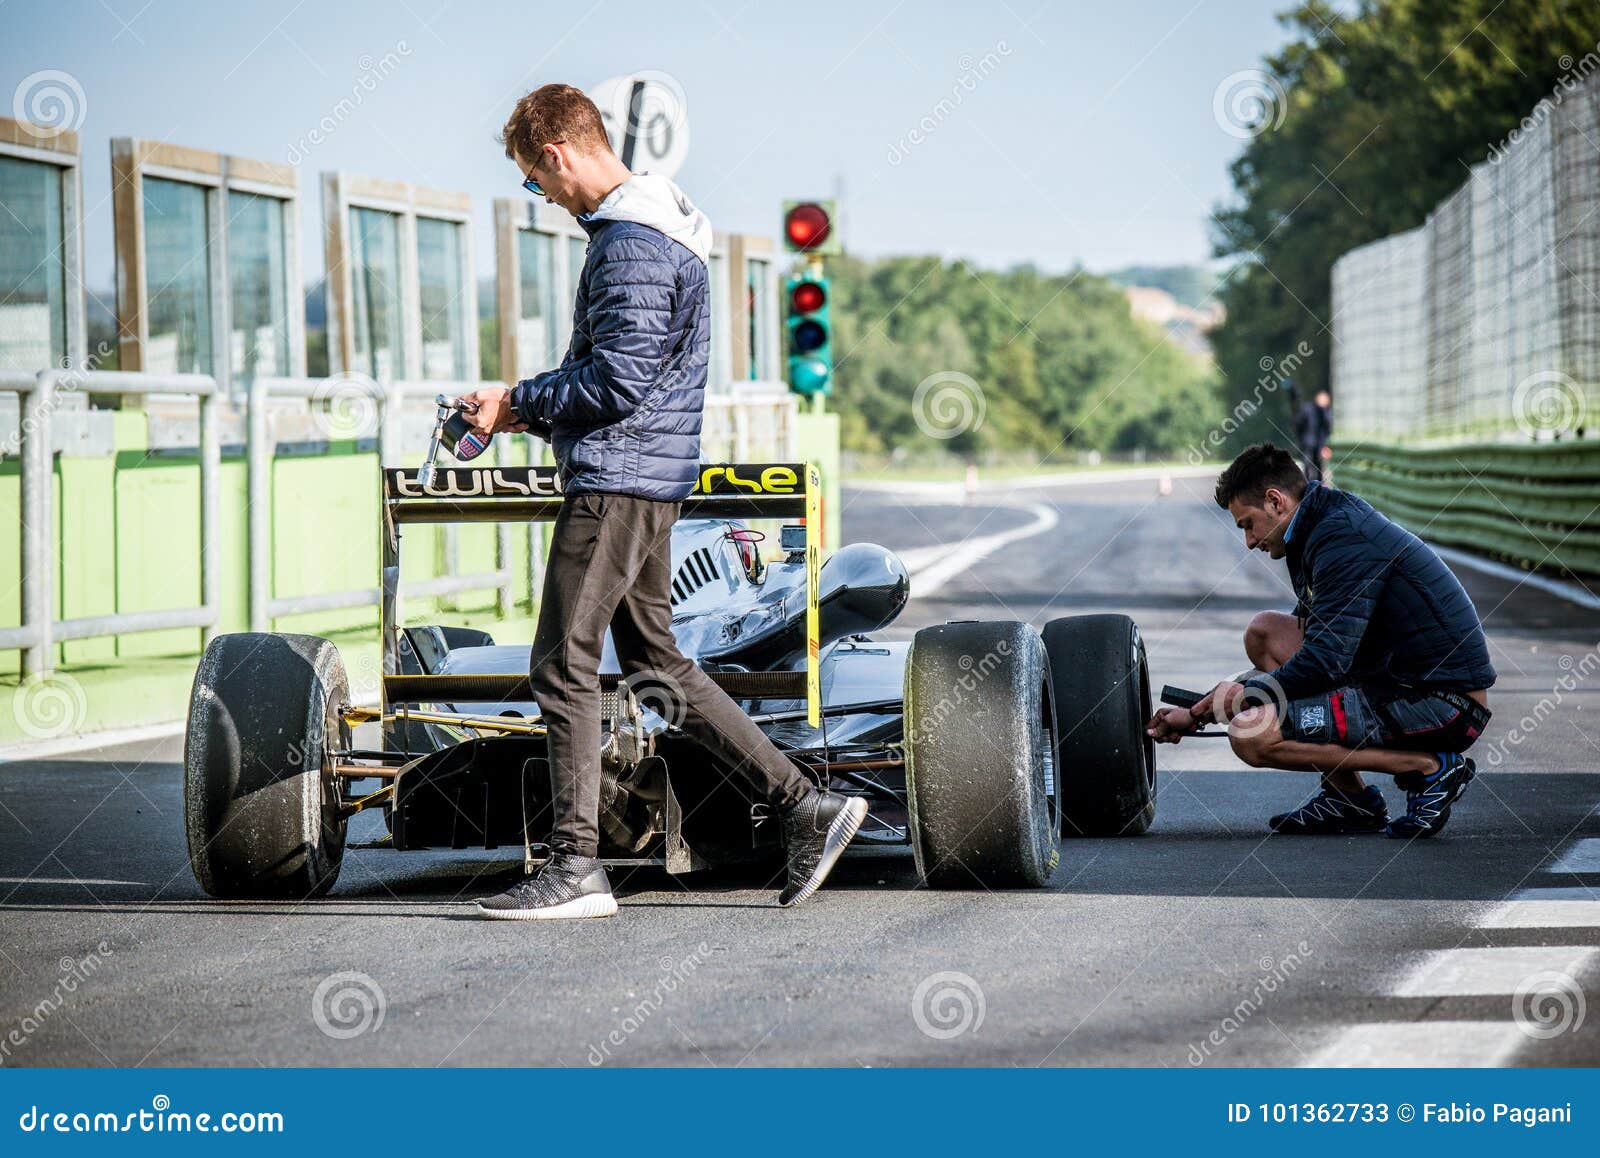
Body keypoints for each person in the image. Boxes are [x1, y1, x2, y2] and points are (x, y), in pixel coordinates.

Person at [459, 84, 865, 919]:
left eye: (537, 183)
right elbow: (631, 378)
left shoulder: (629, 243)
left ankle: (574, 869)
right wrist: (524, 410)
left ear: (558, 153)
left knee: (561, 663)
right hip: (647, 476)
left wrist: (518, 401)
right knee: (654, 663)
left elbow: (616, 381)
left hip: (616, 482)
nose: (546, 200)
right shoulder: (661, 228)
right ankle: (804, 804)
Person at [1146, 444, 1495, 838]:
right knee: (1264, 633)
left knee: (1251, 733)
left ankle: (1431, 769)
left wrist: (1240, 697)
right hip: (1392, 677)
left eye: (1247, 524)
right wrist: (1202, 708)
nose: (1248, 542)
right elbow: (1313, 652)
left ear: (1275, 501)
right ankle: (1350, 801)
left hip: (1443, 703)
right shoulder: (1314, 524)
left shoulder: (1341, 537)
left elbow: (1325, 662)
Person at [1292, 388, 1333, 483]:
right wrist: (1302, 438)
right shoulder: (1307, 409)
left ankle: (1319, 489)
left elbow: (1327, 430)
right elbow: (1298, 423)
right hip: (1307, 444)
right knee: (1307, 466)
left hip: (1320, 445)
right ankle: (1306, 487)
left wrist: (1326, 446)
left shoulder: (1327, 413)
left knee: (1319, 468)